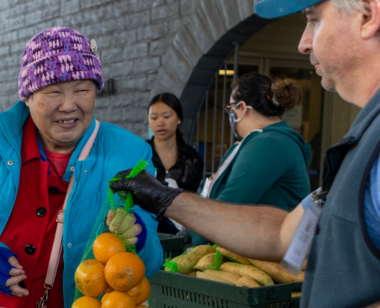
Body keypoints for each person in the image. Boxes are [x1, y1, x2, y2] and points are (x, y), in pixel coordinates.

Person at [110, 0, 380, 306]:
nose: (303, 43)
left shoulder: (274, 143)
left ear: (368, 15)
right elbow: (281, 233)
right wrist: (167, 199)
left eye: (314, 20)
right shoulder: (365, 136)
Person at [0, 27, 163, 308]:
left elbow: (150, 261)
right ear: (27, 96)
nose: (68, 106)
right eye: (54, 91)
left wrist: (137, 237)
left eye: (82, 90)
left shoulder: (130, 154)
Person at [189, 72, 311, 245]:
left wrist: (192, 232)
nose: (229, 114)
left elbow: (229, 207)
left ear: (242, 108)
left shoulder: (268, 144)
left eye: (231, 108)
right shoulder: (268, 140)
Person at [147, 93, 204, 235]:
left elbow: (192, 202)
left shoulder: (192, 159)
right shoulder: (140, 153)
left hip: (180, 235)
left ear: (179, 118)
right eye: (154, 117)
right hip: (145, 230)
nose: (160, 122)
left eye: (166, 116)